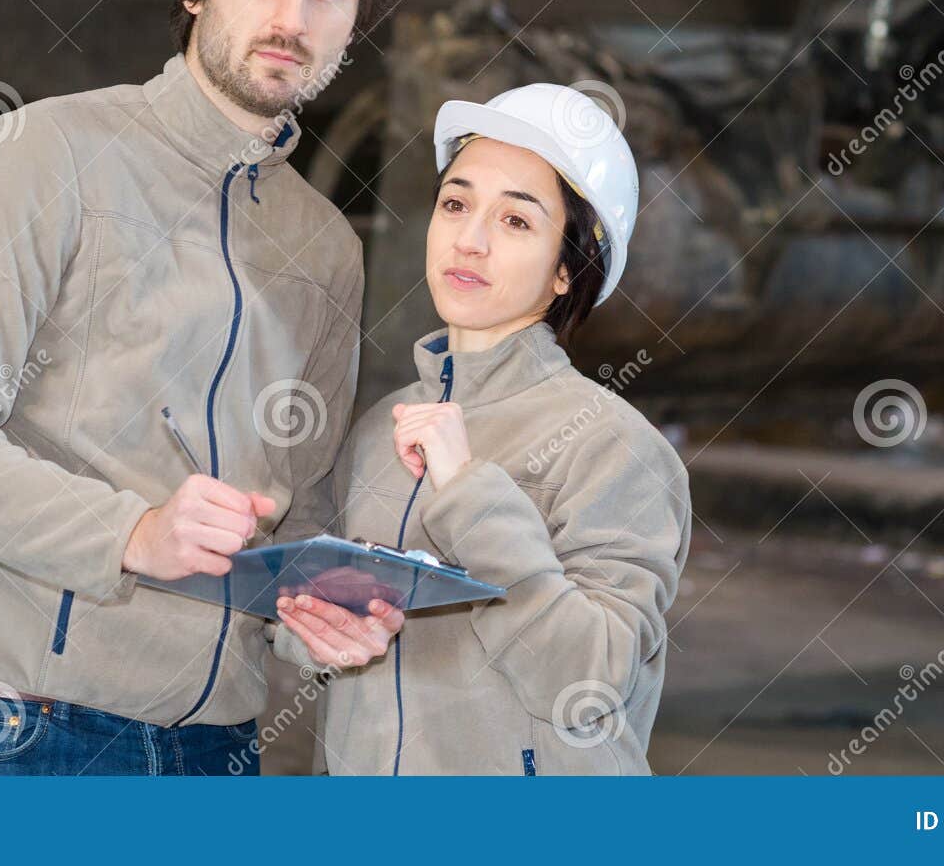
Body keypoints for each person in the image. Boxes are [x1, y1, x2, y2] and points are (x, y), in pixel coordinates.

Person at [0, 0, 395, 775]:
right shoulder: (48, 155)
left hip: (218, 747)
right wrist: (132, 533)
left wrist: (317, 613)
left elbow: (301, 504)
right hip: (18, 730)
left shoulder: (325, 246)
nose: (293, 19)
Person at [277, 83, 692, 774]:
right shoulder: (380, 427)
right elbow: (328, 628)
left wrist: (470, 494)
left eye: (516, 221)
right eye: (456, 204)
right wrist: (307, 629)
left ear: (566, 269)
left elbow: (589, 681)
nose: (470, 239)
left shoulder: (615, 445)